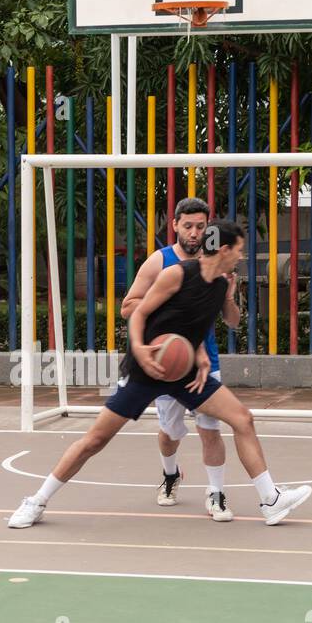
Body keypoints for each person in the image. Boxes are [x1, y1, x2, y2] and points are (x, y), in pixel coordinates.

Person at [8, 218, 312, 529]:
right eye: (239, 250)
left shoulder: (220, 284)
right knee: (95, 440)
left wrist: (200, 353)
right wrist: (138, 347)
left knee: (242, 419)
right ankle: (36, 501)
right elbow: (139, 312)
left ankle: (271, 500)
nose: (241, 256)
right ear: (223, 249)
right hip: (147, 368)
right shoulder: (177, 274)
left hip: (185, 373)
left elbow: (191, 324)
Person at [121, 197, 231, 519]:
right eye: (188, 226)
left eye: (200, 226)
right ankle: (171, 475)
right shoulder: (160, 262)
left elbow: (228, 315)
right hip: (169, 360)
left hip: (205, 360)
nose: (195, 233)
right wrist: (169, 309)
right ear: (175, 225)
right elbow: (128, 306)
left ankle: (217, 493)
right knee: (170, 433)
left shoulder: (215, 263)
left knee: (211, 428)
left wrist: (227, 297)